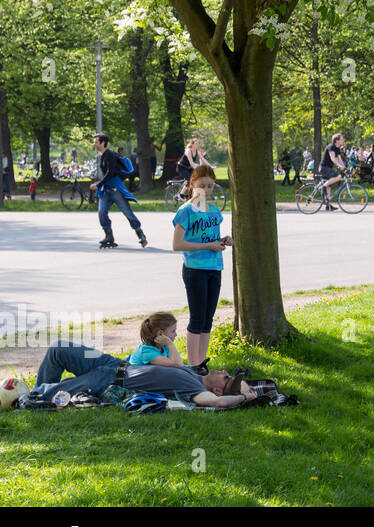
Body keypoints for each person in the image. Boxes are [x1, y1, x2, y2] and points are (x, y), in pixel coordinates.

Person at [25, 341, 259, 408]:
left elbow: (219, 402)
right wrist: (249, 389)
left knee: (40, 394)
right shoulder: (194, 373)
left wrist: (244, 398)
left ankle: (32, 397)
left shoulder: (196, 391)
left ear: (217, 389)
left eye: (227, 378)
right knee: (59, 349)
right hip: (111, 363)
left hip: (107, 380)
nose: (225, 372)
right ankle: (42, 395)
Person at [172, 164, 230, 365]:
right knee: (197, 319)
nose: (206, 190)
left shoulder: (214, 212)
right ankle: (193, 366)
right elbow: (177, 244)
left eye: (211, 186)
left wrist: (223, 240)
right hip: (195, 270)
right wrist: (208, 246)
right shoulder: (186, 211)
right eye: (202, 186)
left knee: (208, 320)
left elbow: (211, 238)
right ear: (192, 185)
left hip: (215, 268)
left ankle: (202, 364)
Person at [89, 133, 147, 249]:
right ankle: (109, 235)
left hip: (116, 189)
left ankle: (140, 234)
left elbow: (111, 173)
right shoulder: (102, 156)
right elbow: (106, 174)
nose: (94, 144)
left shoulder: (109, 154)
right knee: (102, 212)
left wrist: (99, 183)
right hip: (106, 190)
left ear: (102, 143)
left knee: (127, 212)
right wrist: (98, 183)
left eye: (96, 142)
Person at [318, 132, 348, 208]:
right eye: (341, 139)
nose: (343, 140)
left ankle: (328, 205)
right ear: (337, 140)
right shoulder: (331, 147)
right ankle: (323, 186)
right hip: (324, 168)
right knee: (338, 176)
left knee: (329, 186)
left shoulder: (337, 149)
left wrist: (345, 169)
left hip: (328, 168)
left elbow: (340, 160)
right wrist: (339, 166)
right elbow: (333, 159)